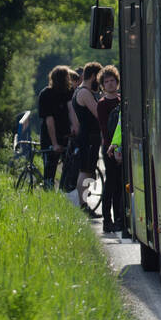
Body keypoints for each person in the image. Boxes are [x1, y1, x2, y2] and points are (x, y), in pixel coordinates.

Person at [69, 61, 103, 216]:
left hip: (87, 136)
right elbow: (98, 113)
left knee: (87, 170)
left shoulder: (79, 91)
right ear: (94, 76)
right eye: (100, 78)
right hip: (89, 137)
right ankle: (83, 205)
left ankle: (83, 204)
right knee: (85, 171)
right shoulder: (84, 93)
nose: (100, 82)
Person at [96, 65, 123, 233]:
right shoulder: (102, 104)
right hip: (109, 148)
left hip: (121, 146)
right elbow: (105, 128)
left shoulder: (121, 100)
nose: (110, 84)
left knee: (120, 185)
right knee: (110, 184)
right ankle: (107, 220)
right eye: (106, 81)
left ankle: (120, 218)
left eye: (112, 80)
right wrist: (112, 149)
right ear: (102, 85)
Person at [36, 66, 74, 188]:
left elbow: (69, 110)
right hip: (54, 136)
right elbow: (50, 120)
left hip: (55, 136)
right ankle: (60, 191)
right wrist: (55, 143)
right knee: (54, 167)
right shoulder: (49, 94)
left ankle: (56, 191)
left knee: (53, 168)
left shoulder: (46, 94)